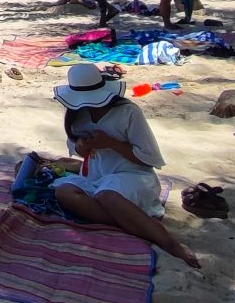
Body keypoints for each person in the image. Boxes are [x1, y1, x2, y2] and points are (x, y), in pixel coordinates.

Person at [50, 64, 200, 269]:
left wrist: (111, 143)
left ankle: (169, 243)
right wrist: (83, 146)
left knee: (107, 196)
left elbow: (149, 158)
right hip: (98, 178)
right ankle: (134, 223)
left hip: (134, 176)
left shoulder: (128, 112)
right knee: (64, 192)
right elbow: (77, 150)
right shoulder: (77, 114)